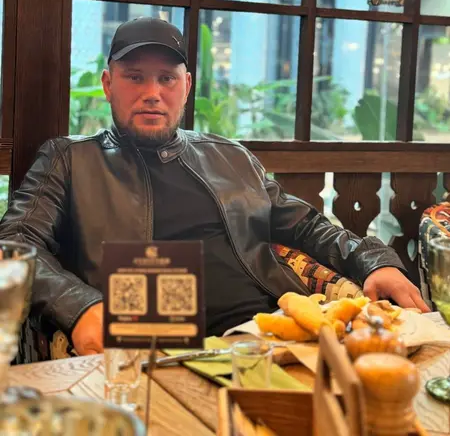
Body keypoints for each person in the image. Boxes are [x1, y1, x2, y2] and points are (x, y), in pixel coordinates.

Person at [0, 18, 429, 357]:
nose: (152, 93)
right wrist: (79, 305)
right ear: (108, 84)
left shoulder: (230, 156)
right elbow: (14, 245)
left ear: (186, 87)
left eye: (166, 79)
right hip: (155, 349)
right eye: (135, 77)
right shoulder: (69, 159)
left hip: (270, 336)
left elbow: (307, 226)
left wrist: (374, 261)